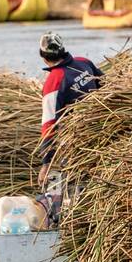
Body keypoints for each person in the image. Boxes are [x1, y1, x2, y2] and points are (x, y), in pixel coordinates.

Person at [38, 31, 102, 187]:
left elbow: (49, 124)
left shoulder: (54, 81)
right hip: (102, 130)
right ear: (63, 51)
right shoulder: (83, 62)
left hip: (76, 140)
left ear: (44, 57)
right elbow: (106, 86)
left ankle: (65, 206)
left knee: (65, 179)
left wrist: (46, 163)